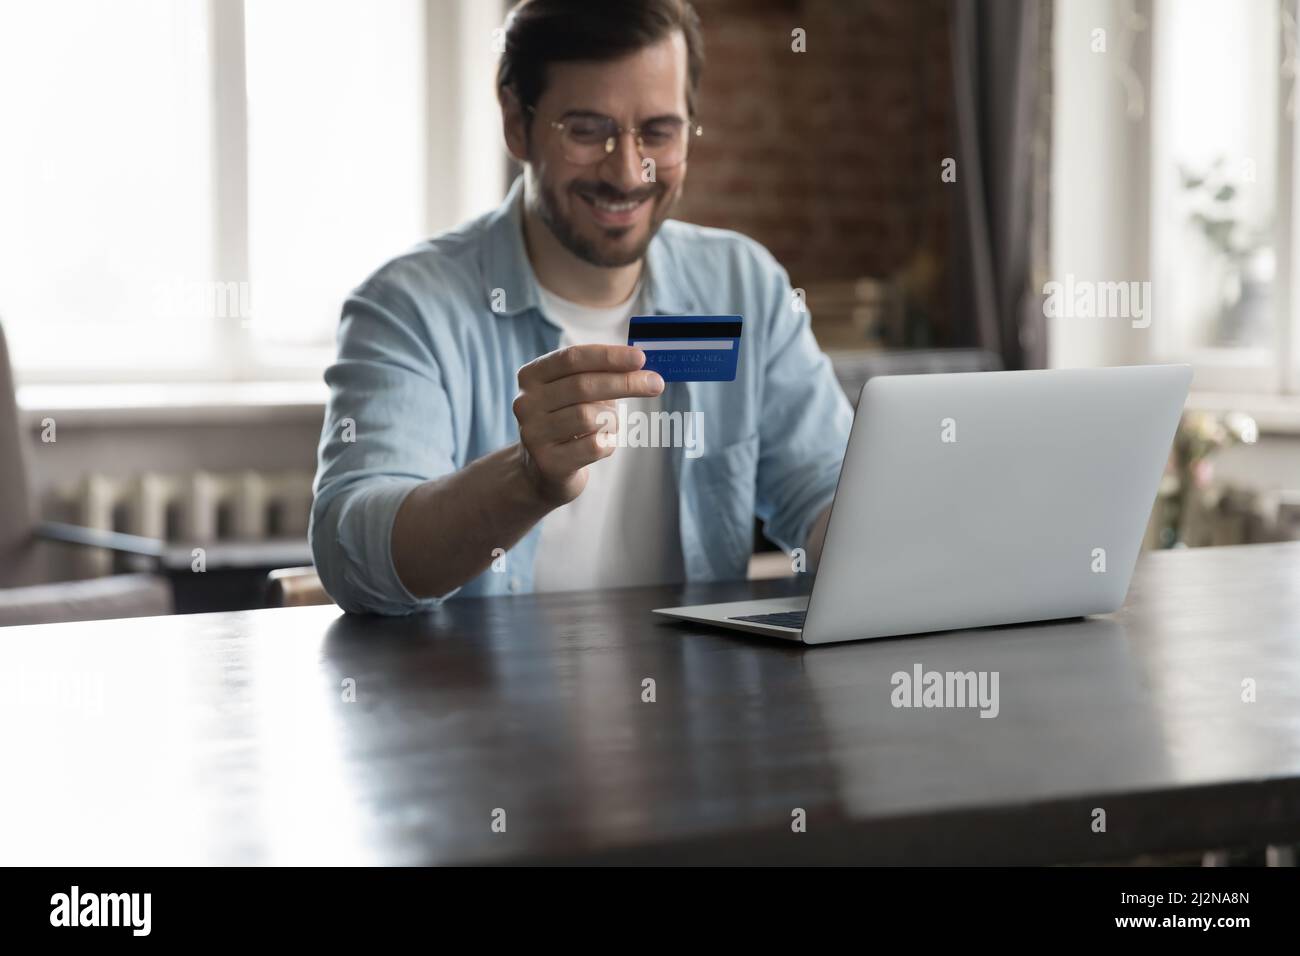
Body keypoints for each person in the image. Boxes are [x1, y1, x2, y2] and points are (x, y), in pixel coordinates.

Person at [310, 0, 851, 614]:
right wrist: (526, 480)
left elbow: (826, 490)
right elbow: (352, 554)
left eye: (658, 130)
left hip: (699, 701)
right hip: (475, 704)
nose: (626, 171)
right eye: (587, 130)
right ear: (517, 123)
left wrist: (893, 546)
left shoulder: (741, 287)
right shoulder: (410, 308)